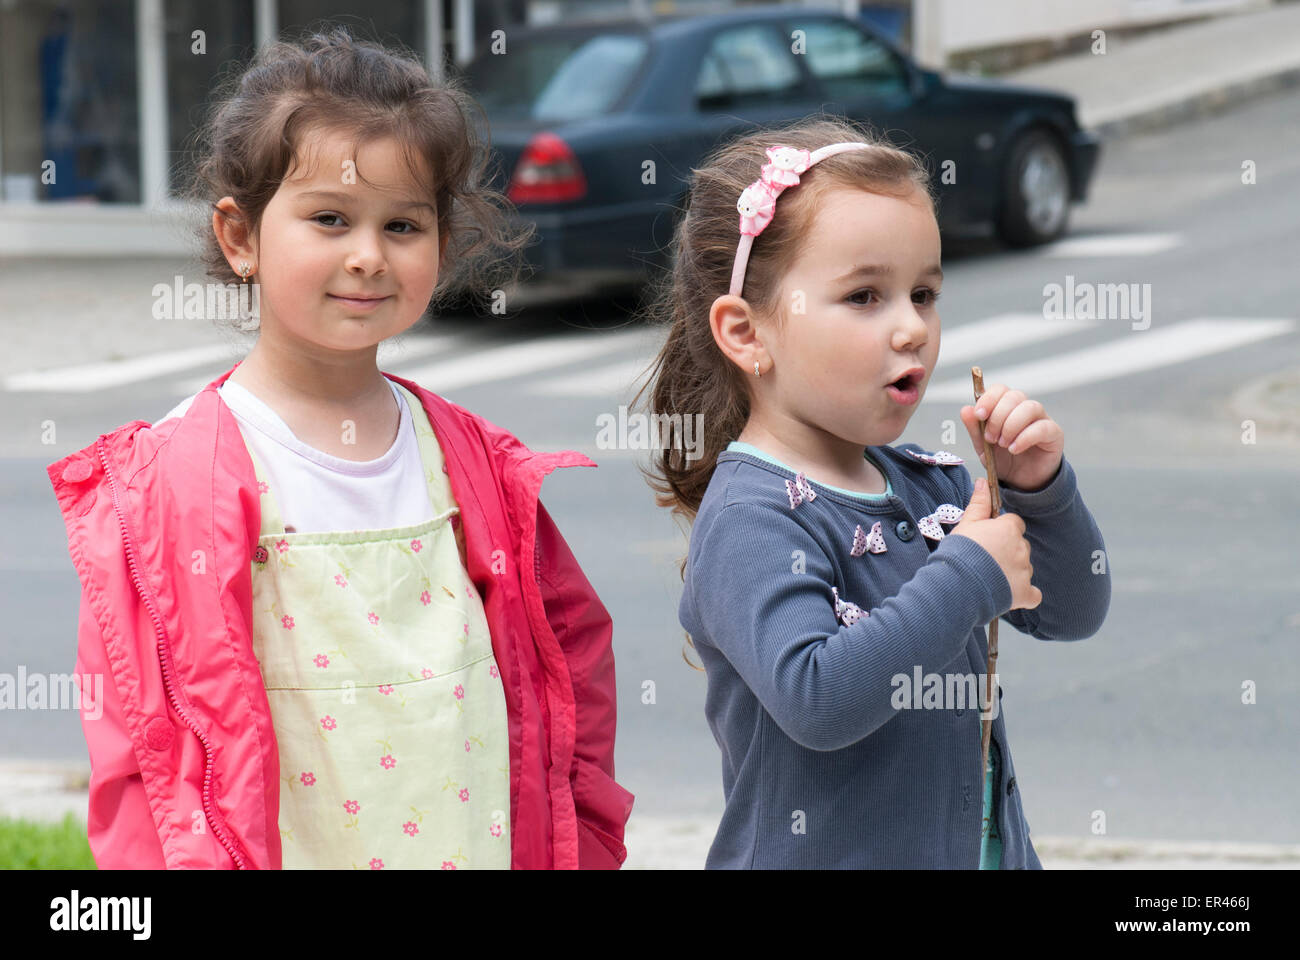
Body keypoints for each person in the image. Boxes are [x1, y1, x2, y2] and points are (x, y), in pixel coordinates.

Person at [46, 28, 632, 870]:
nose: (367, 256)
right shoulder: (172, 481)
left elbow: (568, 669)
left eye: (403, 224)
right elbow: (145, 751)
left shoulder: (472, 461)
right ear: (240, 238)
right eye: (329, 219)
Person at [634, 117, 1111, 868]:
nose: (911, 328)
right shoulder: (750, 518)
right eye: (864, 297)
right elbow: (820, 700)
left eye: (923, 293)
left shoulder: (937, 484)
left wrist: (1040, 490)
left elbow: (1071, 612)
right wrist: (968, 574)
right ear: (746, 332)